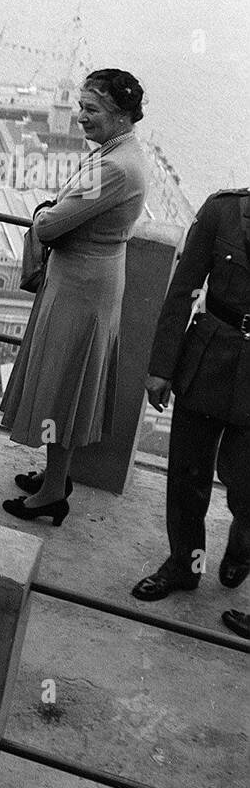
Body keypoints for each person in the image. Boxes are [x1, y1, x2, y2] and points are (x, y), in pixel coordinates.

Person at [0, 69, 149, 525]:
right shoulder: (122, 153)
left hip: (81, 287)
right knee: (67, 381)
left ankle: (51, 494)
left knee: (63, 384)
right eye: (81, 107)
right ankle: (54, 477)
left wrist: (44, 212)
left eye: (92, 110)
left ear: (122, 115)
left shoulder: (113, 167)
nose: (81, 117)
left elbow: (48, 226)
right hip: (88, 279)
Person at [129, 187, 250, 631]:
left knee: (247, 485)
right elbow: (183, 290)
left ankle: (241, 549)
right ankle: (184, 564)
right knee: (187, 475)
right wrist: (161, 367)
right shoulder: (222, 212)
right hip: (209, 357)